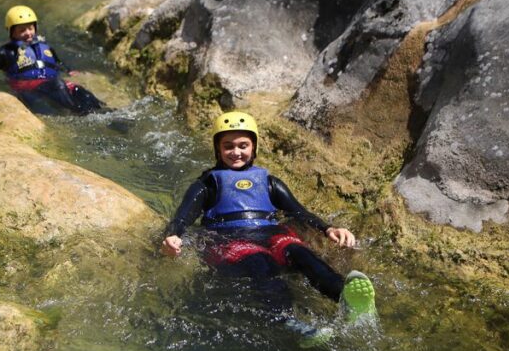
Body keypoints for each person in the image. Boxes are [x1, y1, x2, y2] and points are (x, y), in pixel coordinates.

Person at [161, 111, 377, 327]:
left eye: (242, 145)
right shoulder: (206, 185)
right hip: (231, 242)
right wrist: (173, 237)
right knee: (260, 261)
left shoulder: (269, 182)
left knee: (301, 253)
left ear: (253, 147)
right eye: (228, 146)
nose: (236, 152)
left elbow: (299, 212)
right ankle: (289, 323)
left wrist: (328, 229)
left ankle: (345, 298)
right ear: (218, 149)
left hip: (271, 235)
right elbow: (182, 218)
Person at [0, 5, 106, 115]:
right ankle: (80, 114)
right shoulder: (3, 52)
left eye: (30, 28)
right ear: (11, 32)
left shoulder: (45, 47)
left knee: (82, 92)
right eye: (22, 30)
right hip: (28, 88)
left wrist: (69, 71)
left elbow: (58, 63)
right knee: (58, 85)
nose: (28, 33)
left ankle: (105, 113)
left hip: (51, 83)